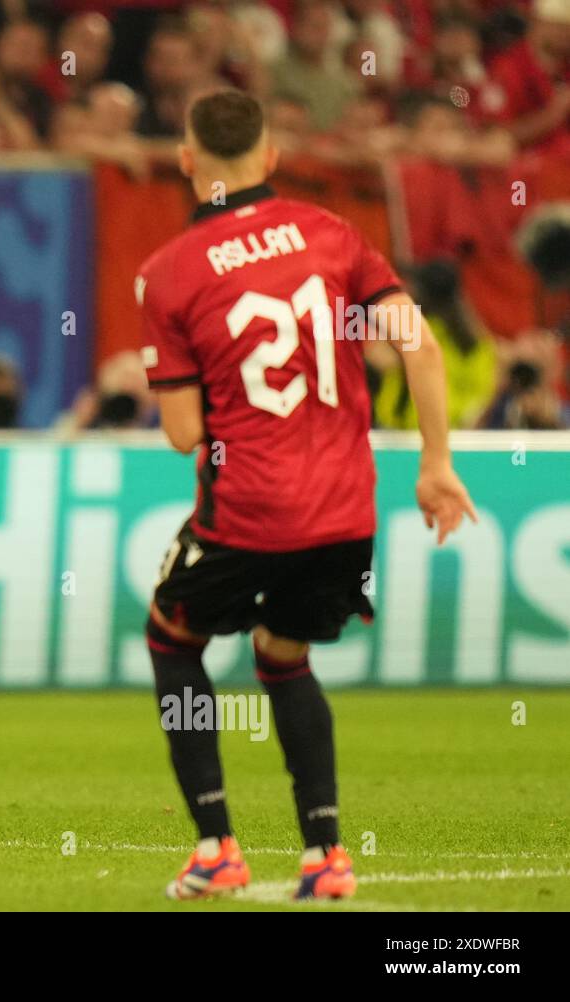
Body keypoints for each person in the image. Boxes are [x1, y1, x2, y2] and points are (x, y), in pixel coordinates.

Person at [134, 89, 477, 900]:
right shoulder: (331, 235)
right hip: (344, 512)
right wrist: (435, 464)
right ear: (272, 158)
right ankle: (327, 857)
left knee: (172, 639)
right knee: (283, 656)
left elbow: (185, 435)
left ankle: (217, 845)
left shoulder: (168, 274)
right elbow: (420, 347)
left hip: (248, 508)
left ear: (187, 161)